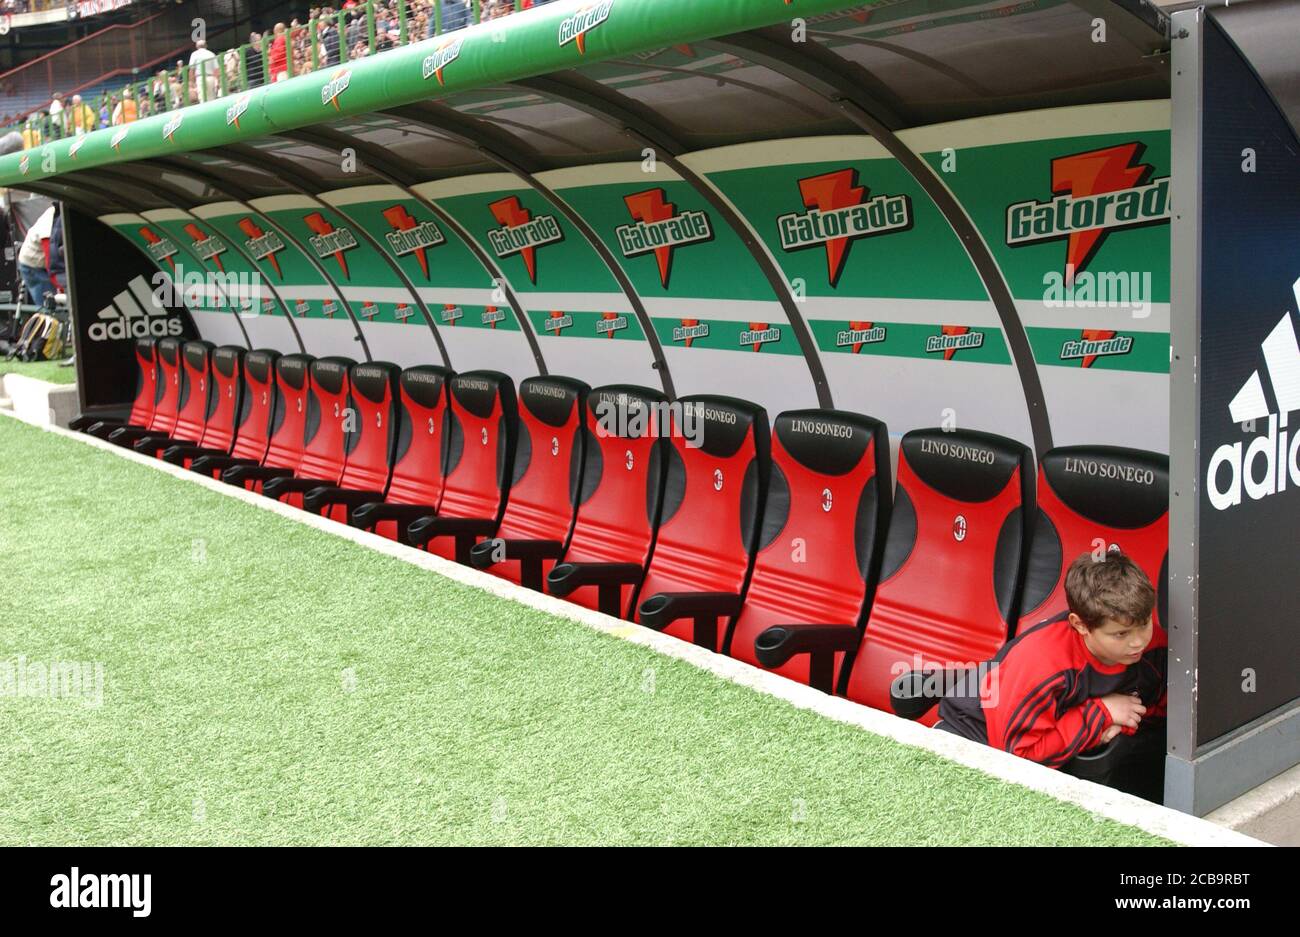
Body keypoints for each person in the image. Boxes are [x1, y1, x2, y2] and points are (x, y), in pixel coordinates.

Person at [934, 552, 1166, 791]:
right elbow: (1018, 760)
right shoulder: (1041, 664)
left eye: (1145, 623)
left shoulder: (1155, 648)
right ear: (1080, 625)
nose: (1139, 642)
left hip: (1054, 749)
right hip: (972, 741)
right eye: (1121, 634)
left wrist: (1121, 725)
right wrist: (1100, 715)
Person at [17, 204, 56, 309]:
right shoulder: (51, 217)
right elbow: (50, 258)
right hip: (33, 266)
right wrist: (59, 284)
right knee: (50, 309)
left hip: (39, 262)